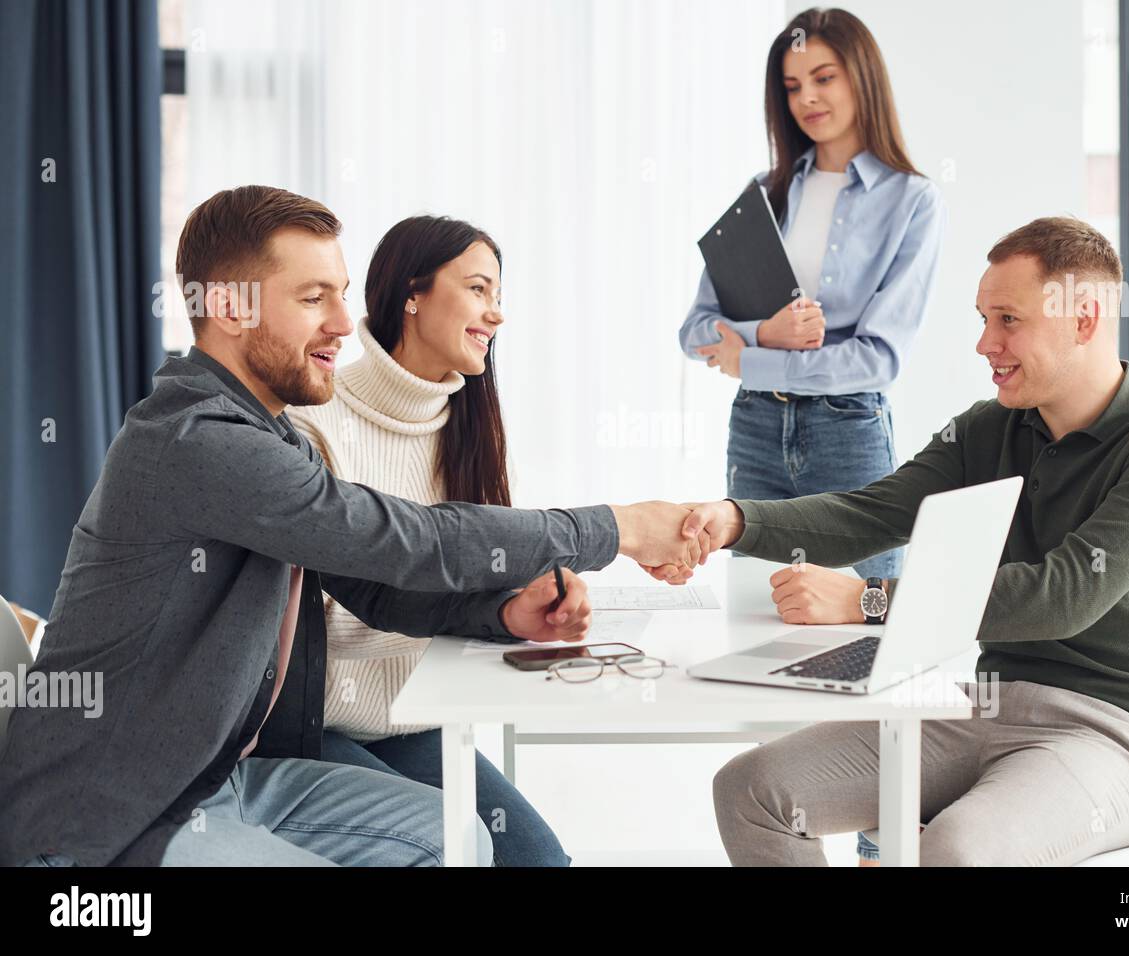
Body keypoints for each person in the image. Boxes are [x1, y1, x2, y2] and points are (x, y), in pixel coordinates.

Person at [0, 185, 708, 867]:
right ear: (228, 307)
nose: (344, 321)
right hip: (109, 816)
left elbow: (372, 582)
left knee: (458, 840)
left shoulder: (273, 435)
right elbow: (409, 540)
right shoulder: (197, 440)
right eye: (313, 298)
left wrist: (504, 613)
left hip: (220, 781)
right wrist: (619, 526)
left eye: (340, 293)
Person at [656, 216, 1129, 866]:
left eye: (1007, 320)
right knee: (752, 789)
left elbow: (1064, 596)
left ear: (1083, 320)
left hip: (1106, 734)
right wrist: (734, 520)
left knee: (957, 849)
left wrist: (870, 601)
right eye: (983, 318)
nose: (984, 344)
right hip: (979, 704)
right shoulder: (987, 430)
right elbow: (871, 513)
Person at [678, 6, 945, 863]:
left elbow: (877, 359)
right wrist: (774, 340)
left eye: (824, 79)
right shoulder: (763, 197)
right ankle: (787, 838)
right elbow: (694, 331)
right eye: (792, 86)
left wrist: (750, 355)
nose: (807, 100)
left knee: (872, 654)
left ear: (862, 78)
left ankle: (882, 853)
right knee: (767, 642)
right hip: (756, 437)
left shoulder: (912, 200)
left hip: (848, 435)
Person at [285, 215, 570, 866]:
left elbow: (493, 586)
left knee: (539, 861)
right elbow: (313, 625)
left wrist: (537, 605)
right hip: (318, 725)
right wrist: (479, 614)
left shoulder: (476, 438)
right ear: (412, 293)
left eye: (498, 297)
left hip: (419, 724)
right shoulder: (313, 428)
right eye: (477, 289)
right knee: (447, 850)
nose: (494, 314)